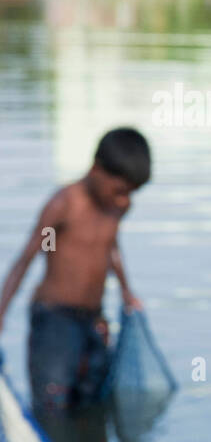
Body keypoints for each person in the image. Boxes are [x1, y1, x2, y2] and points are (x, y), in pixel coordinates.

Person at [0, 127, 151, 415]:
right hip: (54, 319)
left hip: (93, 320)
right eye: (119, 191)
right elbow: (29, 257)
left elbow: (111, 246)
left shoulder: (115, 207)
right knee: (53, 402)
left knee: (92, 401)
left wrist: (126, 291)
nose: (124, 201)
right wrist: (2, 311)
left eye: (130, 194)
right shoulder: (64, 206)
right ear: (96, 169)